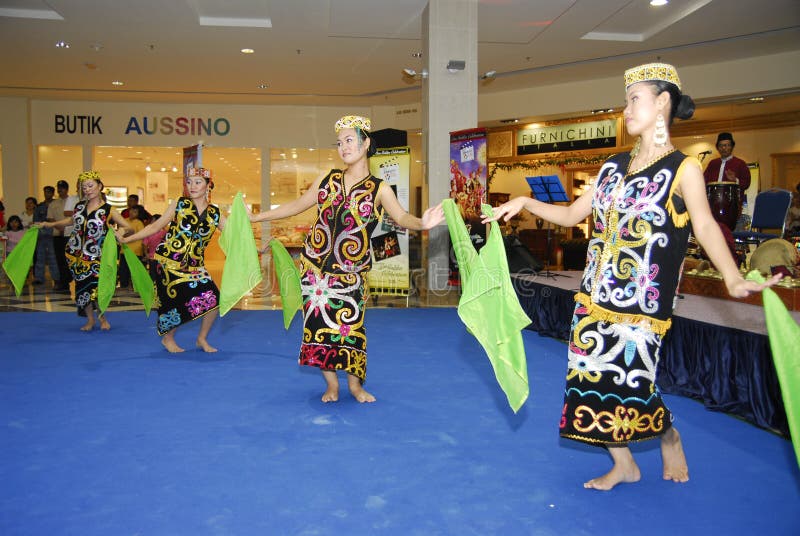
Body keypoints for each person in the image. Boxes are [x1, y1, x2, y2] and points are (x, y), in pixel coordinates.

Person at [483, 63, 782, 491]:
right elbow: (571, 213)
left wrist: (733, 278)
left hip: (643, 300)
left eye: (634, 99)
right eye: (626, 100)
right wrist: (525, 201)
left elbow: (704, 225)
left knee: (632, 383)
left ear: (663, 102)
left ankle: (669, 435)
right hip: (593, 294)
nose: (626, 109)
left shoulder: (684, 170)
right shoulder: (612, 165)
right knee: (587, 378)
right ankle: (624, 463)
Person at [250, 115, 444, 404]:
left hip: (350, 274)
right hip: (314, 270)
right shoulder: (327, 180)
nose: (343, 147)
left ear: (366, 143)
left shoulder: (380, 189)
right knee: (318, 329)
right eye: (339, 142)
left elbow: (401, 217)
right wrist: (256, 216)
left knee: (350, 329)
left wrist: (422, 223)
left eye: (349, 140)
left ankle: (354, 386)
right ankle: (332, 386)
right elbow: (295, 206)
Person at [116, 167, 226, 353]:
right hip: (168, 262)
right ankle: (168, 339)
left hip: (195, 267)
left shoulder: (215, 213)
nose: (192, 186)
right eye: (189, 182)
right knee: (174, 303)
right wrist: (127, 240)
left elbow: (234, 237)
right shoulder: (180, 204)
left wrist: (257, 247)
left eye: (198, 182)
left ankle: (201, 338)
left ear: (209, 185)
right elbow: (156, 226)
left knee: (214, 300)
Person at [38, 171, 133, 331]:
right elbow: (70, 220)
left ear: (100, 186)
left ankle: (102, 318)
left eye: (90, 186)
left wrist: (121, 232)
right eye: (84, 187)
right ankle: (90, 319)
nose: (87, 190)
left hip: (99, 255)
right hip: (77, 255)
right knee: (82, 288)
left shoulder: (108, 210)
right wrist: (50, 224)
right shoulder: (79, 206)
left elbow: (128, 226)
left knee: (97, 287)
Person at [703, 132, 751, 207]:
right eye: (721, 146)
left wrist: (735, 180)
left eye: (727, 145)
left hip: (732, 205)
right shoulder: (712, 164)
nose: (724, 148)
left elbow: (747, 183)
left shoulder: (740, 164)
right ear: (717, 148)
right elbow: (704, 181)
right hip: (712, 204)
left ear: (732, 147)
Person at [32, 185, 60, 286]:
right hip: (42, 235)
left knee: (53, 258)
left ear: (52, 193)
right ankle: (39, 277)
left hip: (53, 234)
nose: (46, 194)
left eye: (48, 192)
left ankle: (56, 278)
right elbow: (35, 220)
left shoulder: (56, 204)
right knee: (40, 257)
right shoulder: (40, 206)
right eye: (45, 192)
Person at [48, 180, 73, 291]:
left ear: (67, 189)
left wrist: (65, 228)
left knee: (70, 259)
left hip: (70, 235)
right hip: (57, 235)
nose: (60, 190)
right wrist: (60, 227)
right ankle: (63, 283)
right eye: (58, 188)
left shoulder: (72, 201)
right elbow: (50, 218)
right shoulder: (54, 203)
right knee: (60, 259)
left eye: (62, 188)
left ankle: (70, 279)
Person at [117, 205, 145, 288]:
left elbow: (141, 235)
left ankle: (135, 287)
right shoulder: (124, 221)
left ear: (139, 214)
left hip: (135, 251)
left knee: (134, 271)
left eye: (135, 212)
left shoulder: (139, 223)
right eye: (131, 210)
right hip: (124, 250)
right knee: (123, 270)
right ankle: (124, 287)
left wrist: (129, 234)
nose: (132, 213)